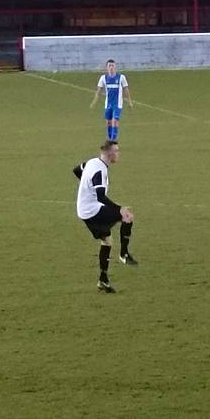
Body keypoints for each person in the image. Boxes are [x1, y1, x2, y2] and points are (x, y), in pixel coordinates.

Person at [73, 140, 137, 293]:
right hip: (92, 210)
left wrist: (87, 186)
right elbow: (101, 196)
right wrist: (120, 209)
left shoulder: (92, 162)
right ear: (110, 154)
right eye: (117, 151)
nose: (119, 154)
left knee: (107, 241)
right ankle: (124, 254)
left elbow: (76, 170)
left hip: (84, 209)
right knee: (127, 216)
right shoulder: (100, 171)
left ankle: (103, 280)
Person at [89, 59, 133, 141]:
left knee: (115, 121)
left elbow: (126, 90)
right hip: (108, 104)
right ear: (107, 67)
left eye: (112, 65)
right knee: (108, 122)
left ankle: (113, 141)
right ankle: (110, 139)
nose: (111, 67)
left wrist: (129, 102)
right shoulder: (103, 78)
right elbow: (98, 91)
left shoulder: (121, 77)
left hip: (117, 104)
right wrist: (94, 101)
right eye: (109, 66)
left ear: (115, 67)